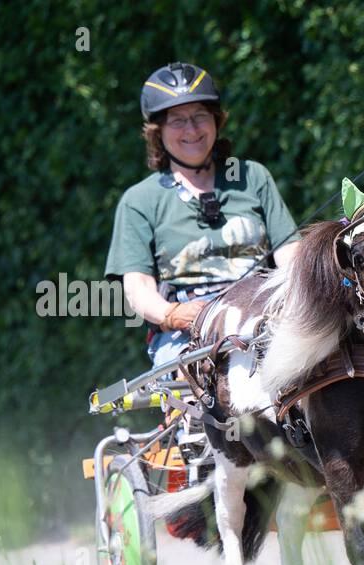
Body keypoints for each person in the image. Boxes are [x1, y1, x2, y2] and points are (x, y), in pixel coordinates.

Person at [105, 61, 300, 368]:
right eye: (178, 121)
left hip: (265, 320)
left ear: (216, 120)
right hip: (188, 334)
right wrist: (170, 315)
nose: (192, 130)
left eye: (200, 117)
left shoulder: (253, 177)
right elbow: (138, 287)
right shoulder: (139, 200)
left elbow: (291, 256)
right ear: (158, 132)